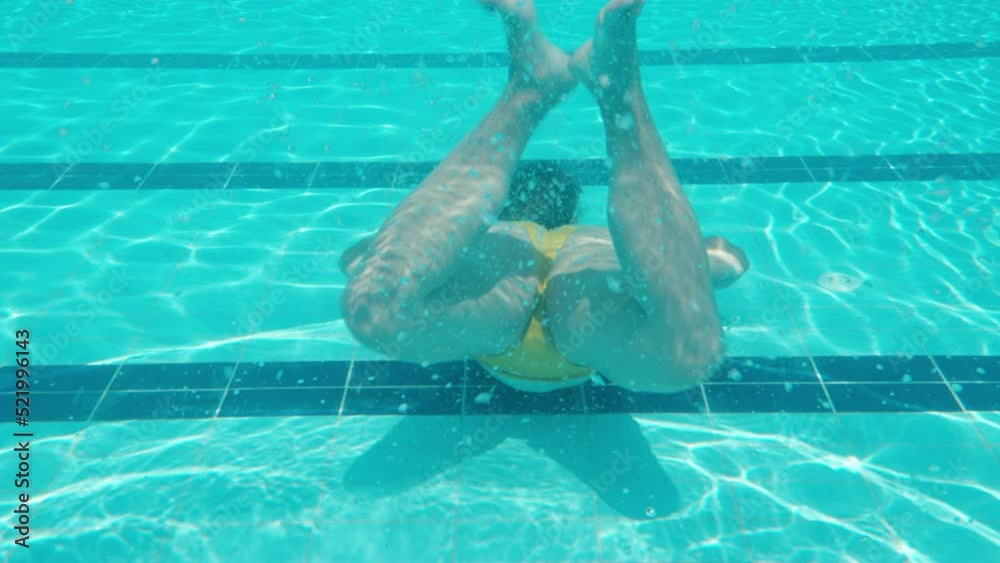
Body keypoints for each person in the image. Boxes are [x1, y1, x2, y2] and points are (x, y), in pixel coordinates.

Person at [340, 0, 750, 393]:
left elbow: (369, 259)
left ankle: (529, 93)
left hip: (493, 304)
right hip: (587, 307)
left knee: (375, 311)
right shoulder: (594, 241)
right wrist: (703, 270)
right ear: (573, 208)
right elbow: (724, 260)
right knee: (691, 354)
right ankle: (617, 92)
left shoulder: (497, 238)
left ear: (501, 204)